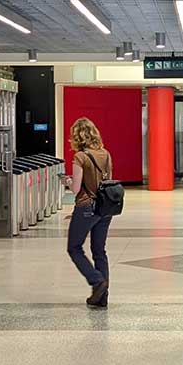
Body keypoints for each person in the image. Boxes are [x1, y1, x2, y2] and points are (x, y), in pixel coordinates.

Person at [63, 117, 115, 309]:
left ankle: (96, 281)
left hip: (86, 207)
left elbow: (76, 189)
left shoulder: (80, 157)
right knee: (99, 251)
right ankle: (102, 296)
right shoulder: (106, 154)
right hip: (105, 207)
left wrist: (67, 182)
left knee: (74, 248)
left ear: (77, 137)